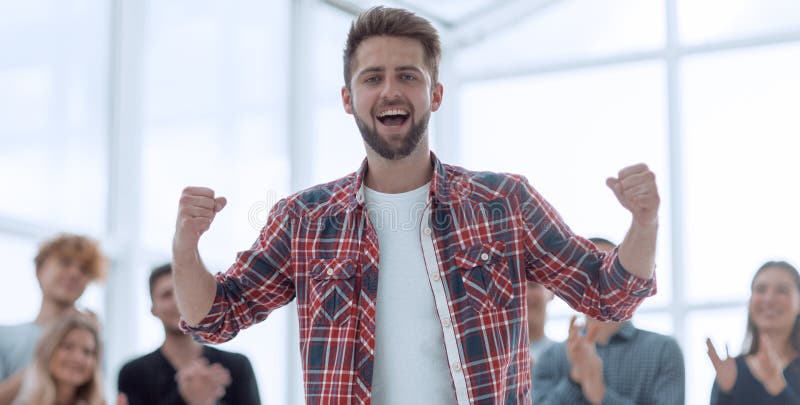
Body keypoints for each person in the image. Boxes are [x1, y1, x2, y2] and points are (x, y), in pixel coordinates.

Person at [172, 6, 661, 403]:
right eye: (372, 78)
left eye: (408, 75)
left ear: (436, 93)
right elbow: (216, 315)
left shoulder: (504, 203)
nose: (390, 90)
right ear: (348, 98)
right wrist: (186, 245)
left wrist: (645, 221)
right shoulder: (305, 220)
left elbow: (609, 294)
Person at [532, 238, 685, 404]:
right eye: (588, 273)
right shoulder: (551, 357)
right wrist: (575, 378)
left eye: (610, 271)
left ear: (625, 280)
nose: (600, 282)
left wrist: (601, 395)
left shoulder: (663, 351)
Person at [117, 264, 260, 405]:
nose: (177, 302)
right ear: (153, 309)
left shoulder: (237, 366)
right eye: (167, 295)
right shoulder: (133, 374)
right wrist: (185, 398)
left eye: (183, 292)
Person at [0, 234, 106, 403]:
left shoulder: (93, 340)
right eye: (65, 263)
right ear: (39, 270)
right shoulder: (5, 337)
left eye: (84, 269)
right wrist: (46, 357)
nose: (74, 273)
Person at [707, 261, 800, 404]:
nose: (768, 299)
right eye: (760, 289)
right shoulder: (732, 370)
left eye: (782, 290)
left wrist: (778, 388)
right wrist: (725, 393)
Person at [12, 314, 105, 405]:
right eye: (68, 346)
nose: (78, 358)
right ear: (48, 351)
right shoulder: (23, 399)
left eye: (87, 352)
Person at [528, 280, 555, 364]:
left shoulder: (566, 354)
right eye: (516, 289)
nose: (525, 294)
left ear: (552, 291)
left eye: (533, 285)